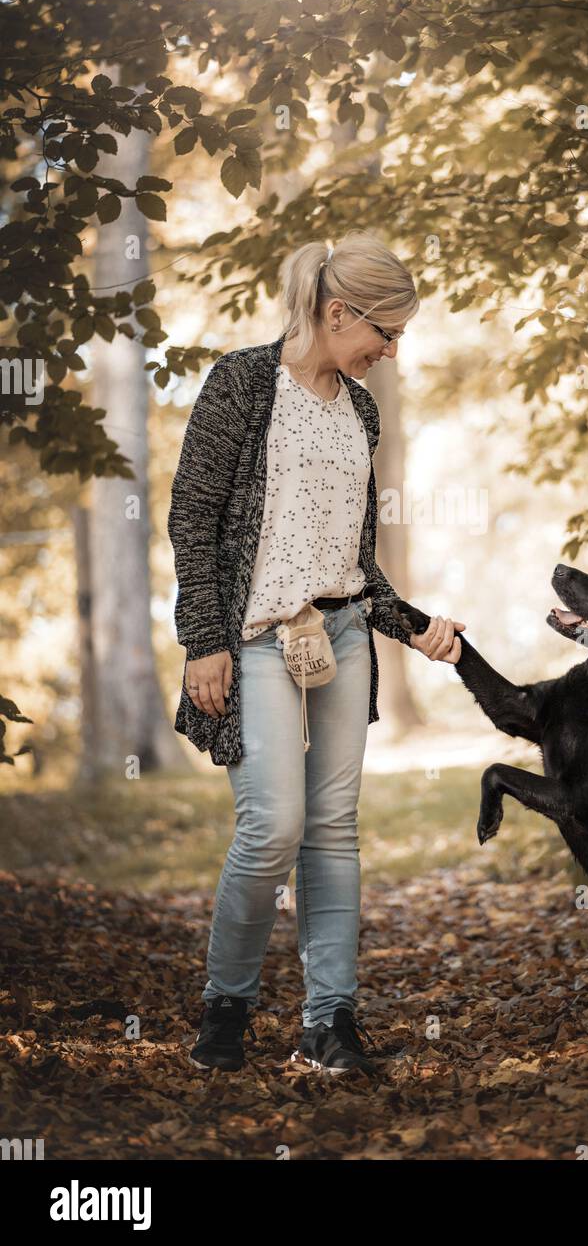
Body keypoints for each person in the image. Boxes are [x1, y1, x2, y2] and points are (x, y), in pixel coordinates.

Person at [168, 232, 464, 1075]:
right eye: (385, 332)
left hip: (338, 637)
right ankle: (226, 1007)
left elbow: (354, 561)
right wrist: (203, 641)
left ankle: (330, 1023)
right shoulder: (241, 385)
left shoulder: (358, 411)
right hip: (255, 638)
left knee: (333, 831)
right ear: (339, 314)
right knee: (273, 824)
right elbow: (192, 516)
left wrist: (414, 626)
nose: (391, 351)